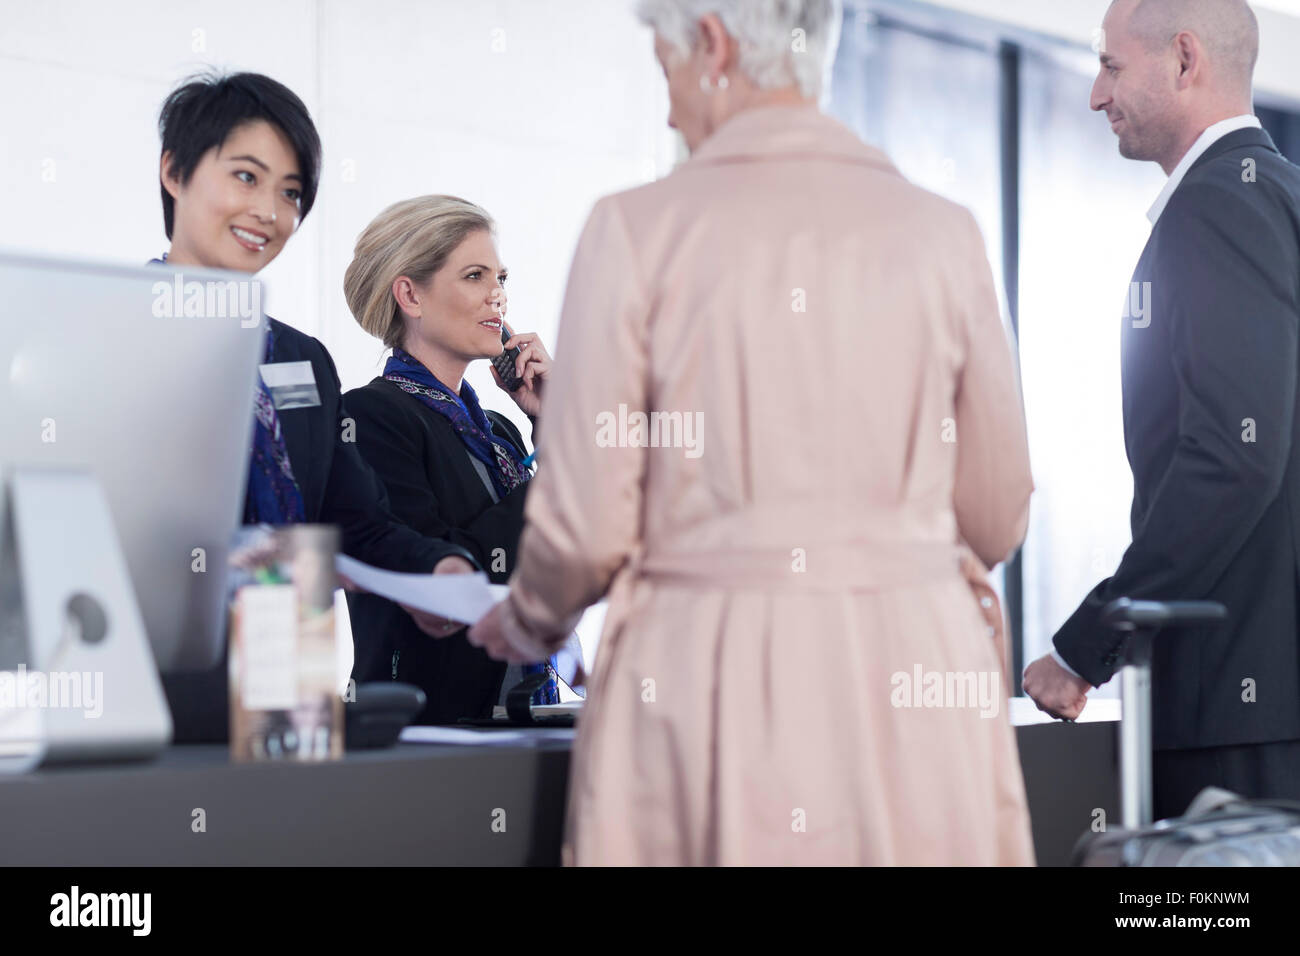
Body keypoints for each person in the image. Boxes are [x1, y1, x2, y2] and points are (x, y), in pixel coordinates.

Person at [470, 0, 1036, 865]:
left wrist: (530, 620)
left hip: (713, 671)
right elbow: (997, 516)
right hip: (918, 672)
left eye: (664, 66)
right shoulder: (944, 233)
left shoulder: (634, 230)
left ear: (712, 44)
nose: (665, 105)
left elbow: (585, 528)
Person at [1023, 0, 1300, 819]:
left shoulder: (1220, 207)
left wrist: (1086, 646)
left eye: (1110, 66)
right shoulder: (1278, 196)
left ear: (1184, 60)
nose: (1096, 95)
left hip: (1235, 710)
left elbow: (1234, 459)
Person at [152, 73, 477, 738]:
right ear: (174, 172)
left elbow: (356, 524)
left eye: (291, 192)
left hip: (288, 694)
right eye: (246, 176)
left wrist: (439, 569)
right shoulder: (105, 333)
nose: (270, 211)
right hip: (144, 690)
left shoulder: (300, 360)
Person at [342, 196, 561, 723]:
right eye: (474, 276)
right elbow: (446, 571)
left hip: (519, 717)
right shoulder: (370, 418)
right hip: (426, 727)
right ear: (410, 295)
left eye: (502, 278)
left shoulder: (503, 432)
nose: (498, 296)